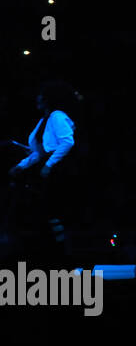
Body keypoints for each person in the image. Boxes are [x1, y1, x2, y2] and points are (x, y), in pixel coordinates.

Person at [6, 81, 79, 260]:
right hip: (47, 168)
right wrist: (21, 166)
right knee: (45, 213)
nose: (37, 98)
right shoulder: (44, 120)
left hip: (57, 169)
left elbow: (67, 142)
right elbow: (40, 151)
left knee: (50, 212)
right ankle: (55, 251)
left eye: (41, 95)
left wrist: (49, 165)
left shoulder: (57, 116)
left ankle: (63, 253)